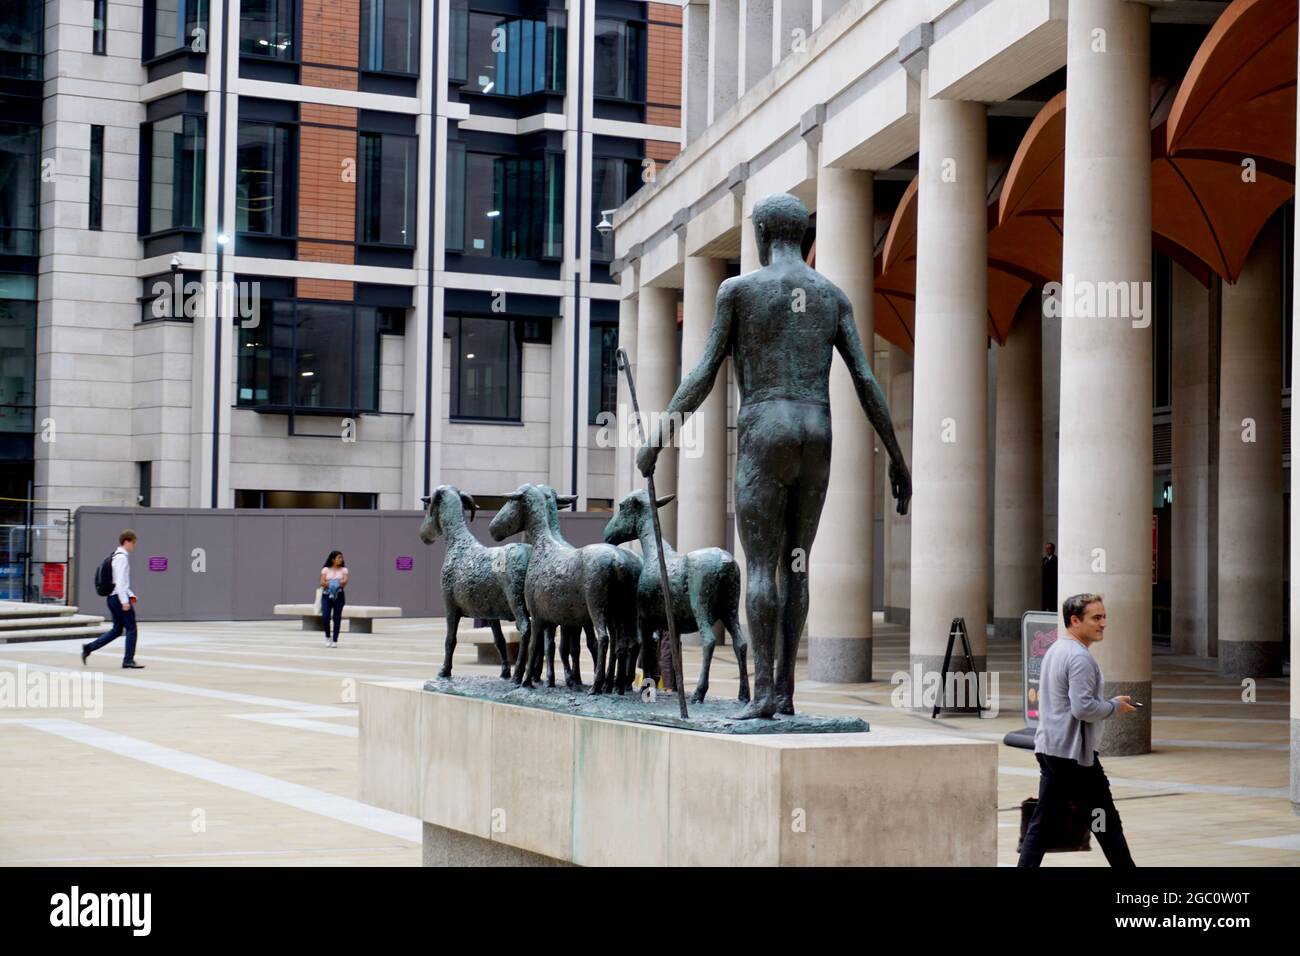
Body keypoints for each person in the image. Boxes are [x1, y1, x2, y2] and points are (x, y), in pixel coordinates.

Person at [636, 192, 911, 719]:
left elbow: (702, 374)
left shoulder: (738, 290)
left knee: (761, 567)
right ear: (804, 237)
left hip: (767, 427)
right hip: (817, 430)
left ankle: (764, 694)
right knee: (797, 566)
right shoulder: (831, 296)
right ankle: (783, 692)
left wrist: (657, 439)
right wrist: (897, 458)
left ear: (761, 235)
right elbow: (865, 379)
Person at [1018, 592, 1138, 867]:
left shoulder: (1057, 649)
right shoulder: (1079, 658)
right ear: (1074, 620)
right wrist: (1114, 706)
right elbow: (1083, 708)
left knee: (1044, 823)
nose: (1103, 623)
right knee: (1105, 821)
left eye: (1104, 616)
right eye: (1096, 618)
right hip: (1074, 758)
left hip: (1051, 749)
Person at [81, 530, 145, 669]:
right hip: (118, 598)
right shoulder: (121, 557)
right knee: (131, 629)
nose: (134, 546)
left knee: (117, 630)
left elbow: (118, 582)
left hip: (112, 598)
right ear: (127, 541)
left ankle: (89, 648)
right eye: (133, 543)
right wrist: (124, 601)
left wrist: (131, 595)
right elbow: (121, 581)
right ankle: (128, 660)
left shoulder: (114, 556)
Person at [320, 551, 349, 646]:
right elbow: (322, 583)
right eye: (339, 558)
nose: (341, 559)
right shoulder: (325, 570)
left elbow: (345, 582)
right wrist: (336, 582)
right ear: (333, 559)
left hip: (339, 595)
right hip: (326, 595)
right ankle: (328, 636)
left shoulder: (344, 570)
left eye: (341, 558)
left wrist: (330, 582)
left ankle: (335, 640)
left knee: (337, 618)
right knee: (325, 616)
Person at [1041, 542, 1058, 612]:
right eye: (1046, 549)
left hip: (1052, 585)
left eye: (1049, 549)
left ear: (1053, 549)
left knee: (1052, 603)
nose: (1047, 550)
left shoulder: (1056, 560)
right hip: (1045, 585)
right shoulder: (1044, 560)